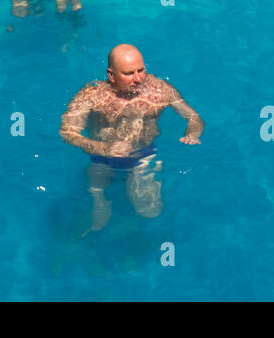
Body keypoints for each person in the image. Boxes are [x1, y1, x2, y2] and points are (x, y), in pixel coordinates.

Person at [59, 44, 204, 229]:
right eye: (129, 73)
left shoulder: (160, 90)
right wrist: (104, 148)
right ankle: (100, 202)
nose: (138, 79)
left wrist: (192, 133)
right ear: (111, 75)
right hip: (101, 157)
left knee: (150, 211)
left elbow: (193, 117)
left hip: (143, 156)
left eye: (141, 70)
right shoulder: (92, 95)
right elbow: (67, 132)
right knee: (97, 206)